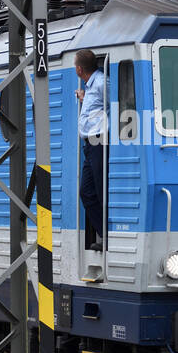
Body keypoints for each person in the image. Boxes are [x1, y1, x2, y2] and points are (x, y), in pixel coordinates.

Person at [74, 49, 106, 250]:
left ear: (79, 69)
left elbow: (117, 106)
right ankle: (104, 233)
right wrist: (85, 99)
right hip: (90, 144)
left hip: (100, 141)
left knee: (100, 189)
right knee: (87, 191)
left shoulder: (103, 83)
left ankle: (107, 237)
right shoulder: (92, 86)